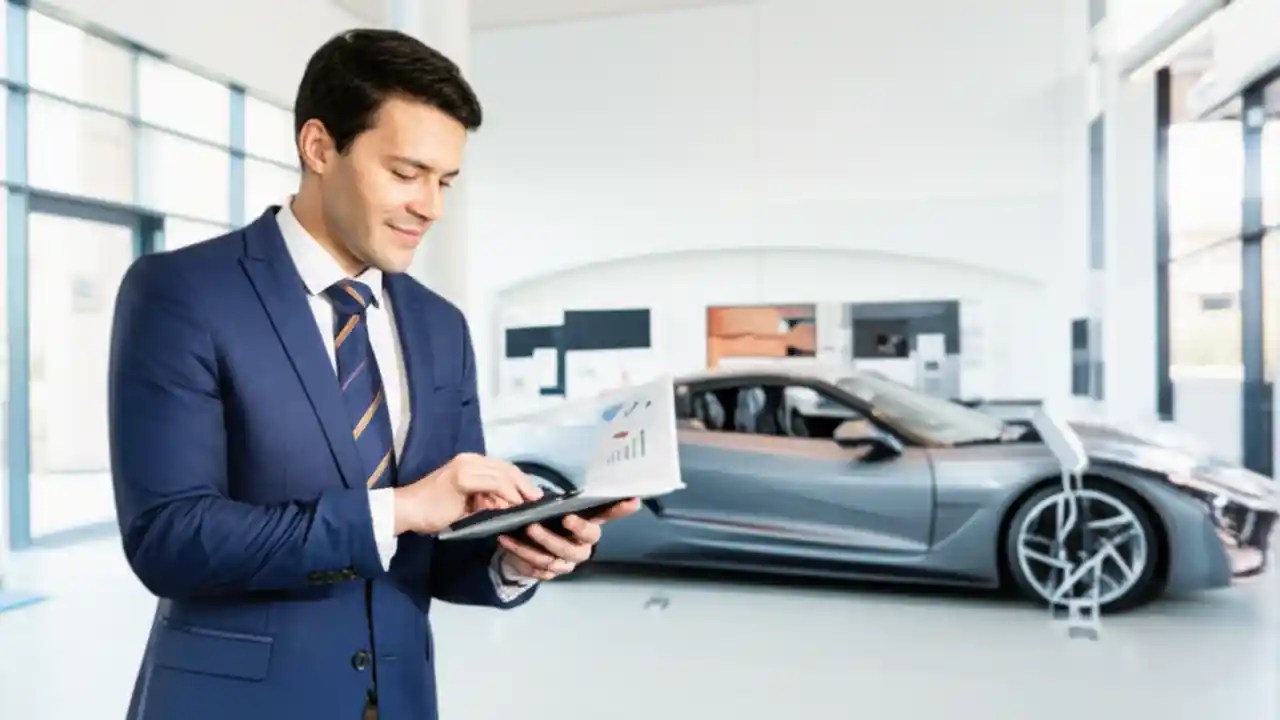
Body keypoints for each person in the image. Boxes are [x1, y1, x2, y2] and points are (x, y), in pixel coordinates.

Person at [107, 28, 638, 720]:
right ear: (320, 147)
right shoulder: (184, 293)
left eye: (444, 181)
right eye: (405, 173)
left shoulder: (440, 327)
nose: (431, 207)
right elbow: (169, 539)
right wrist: (401, 507)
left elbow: (442, 552)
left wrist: (517, 556)